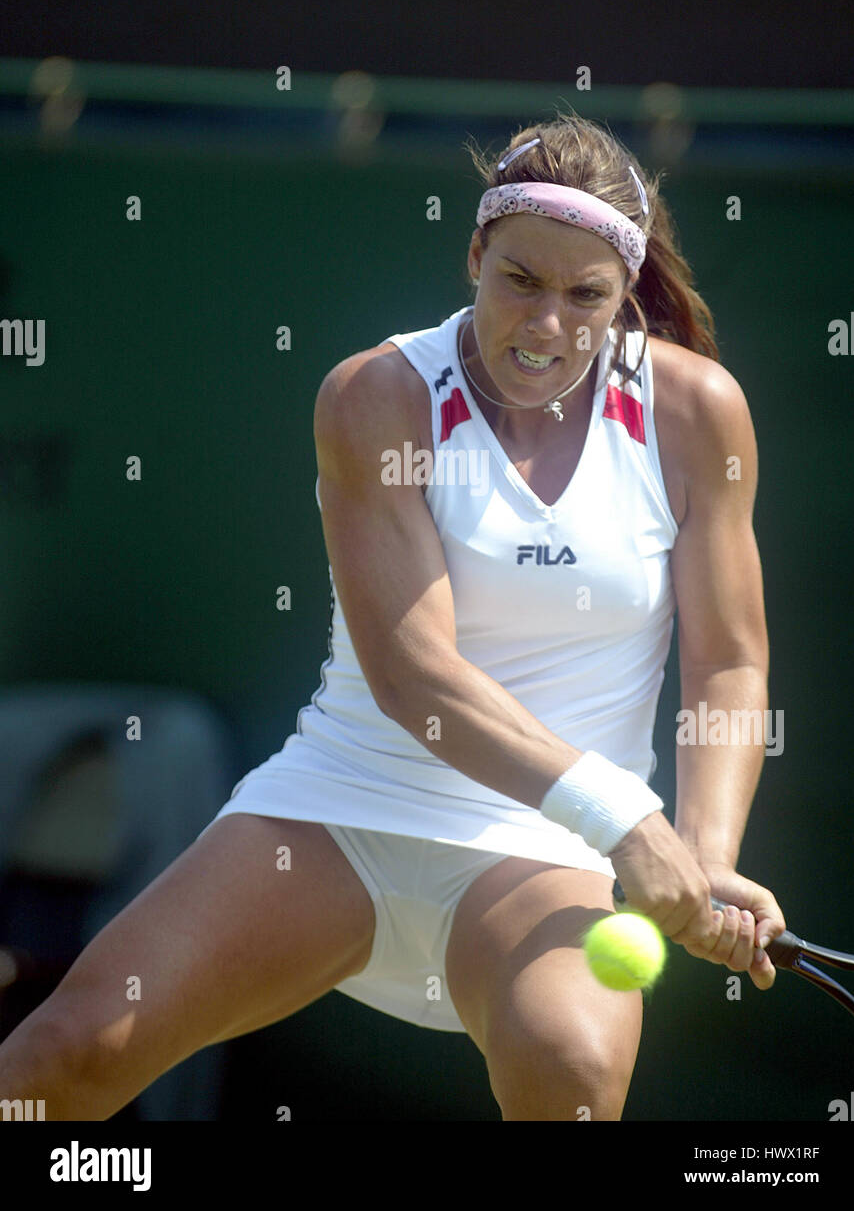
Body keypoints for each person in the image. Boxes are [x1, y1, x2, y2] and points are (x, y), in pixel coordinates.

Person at [0, 112, 786, 1122]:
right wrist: (630, 820)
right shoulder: (376, 396)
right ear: (474, 253)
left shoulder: (693, 412)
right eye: (520, 281)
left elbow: (728, 663)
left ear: (622, 295)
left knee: (572, 1073)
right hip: (341, 808)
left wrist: (706, 853)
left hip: (543, 851)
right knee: (57, 1062)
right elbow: (417, 678)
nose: (545, 326)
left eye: (584, 296)